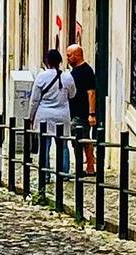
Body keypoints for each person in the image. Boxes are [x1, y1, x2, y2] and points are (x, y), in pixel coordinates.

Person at [29, 49, 76, 181]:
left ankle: (45, 174)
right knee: (63, 145)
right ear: (60, 61)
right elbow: (72, 94)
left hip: (44, 115)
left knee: (45, 145)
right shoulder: (67, 77)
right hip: (62, 115)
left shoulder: (41, 77)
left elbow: (34, 100)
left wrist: (31, 117)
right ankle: (64, 174)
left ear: (46, 61)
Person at [66, 44, 97, 175]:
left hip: (82, 112)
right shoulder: (74, 71)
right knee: (82, 140)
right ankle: (88, 166)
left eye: (69, 55)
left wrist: (91, 113)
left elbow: (91, 93)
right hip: (75, 111)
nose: (67, 58)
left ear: (77, 55)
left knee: (81, 141)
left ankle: (88, 167)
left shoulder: (86, 71)